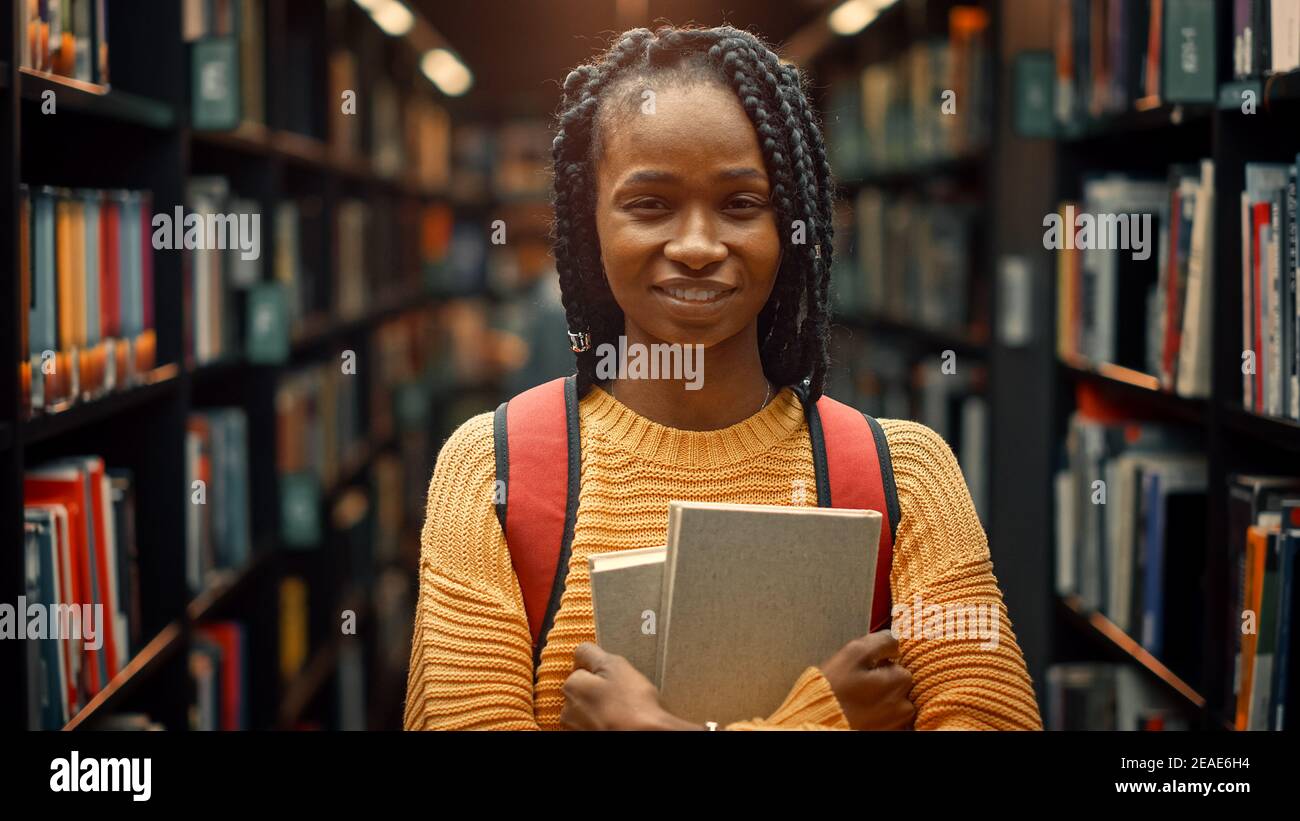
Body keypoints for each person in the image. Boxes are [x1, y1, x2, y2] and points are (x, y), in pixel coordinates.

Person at [403, 24, 1042, 730]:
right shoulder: (493, 471)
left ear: (789, 223)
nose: (700, 247)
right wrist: (819, 719)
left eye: (742, 204)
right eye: (650, 205)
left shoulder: (908, 477)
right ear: (591, 224)